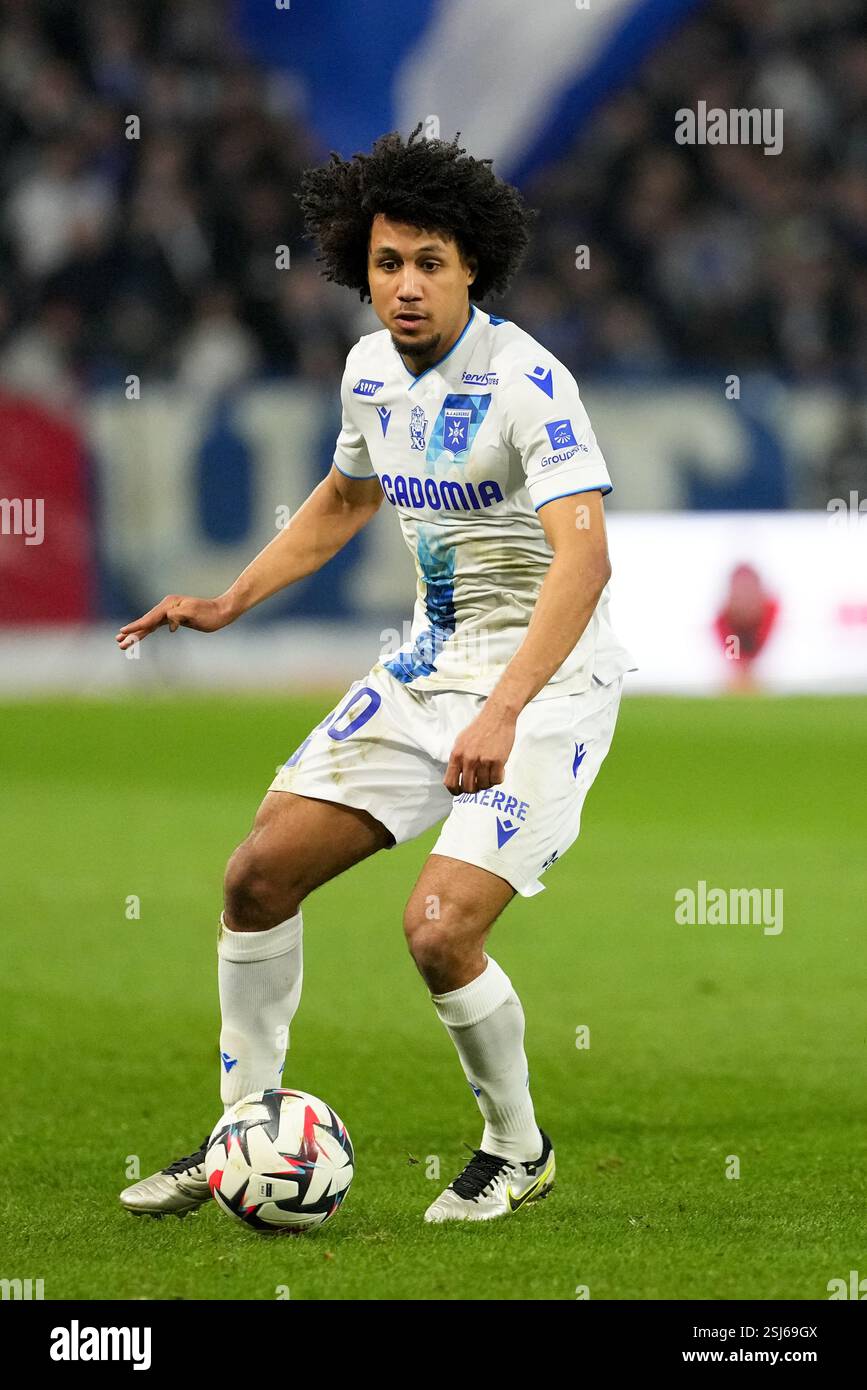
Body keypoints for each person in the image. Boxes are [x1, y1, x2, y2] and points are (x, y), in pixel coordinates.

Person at [117, 126, 634, 1224]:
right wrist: (228, 598)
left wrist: (503, 708)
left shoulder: (529, 381)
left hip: (544, 683)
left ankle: (517, 1145)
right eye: (388, 262)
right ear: (362, 265)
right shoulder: (365, 372)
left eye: (430, 263)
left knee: (441, 928)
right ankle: (240, 1135)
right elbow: (347, 500)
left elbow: (584, 559)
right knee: (256, 875)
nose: (405, 286)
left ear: (471, 268)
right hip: (423, 666)